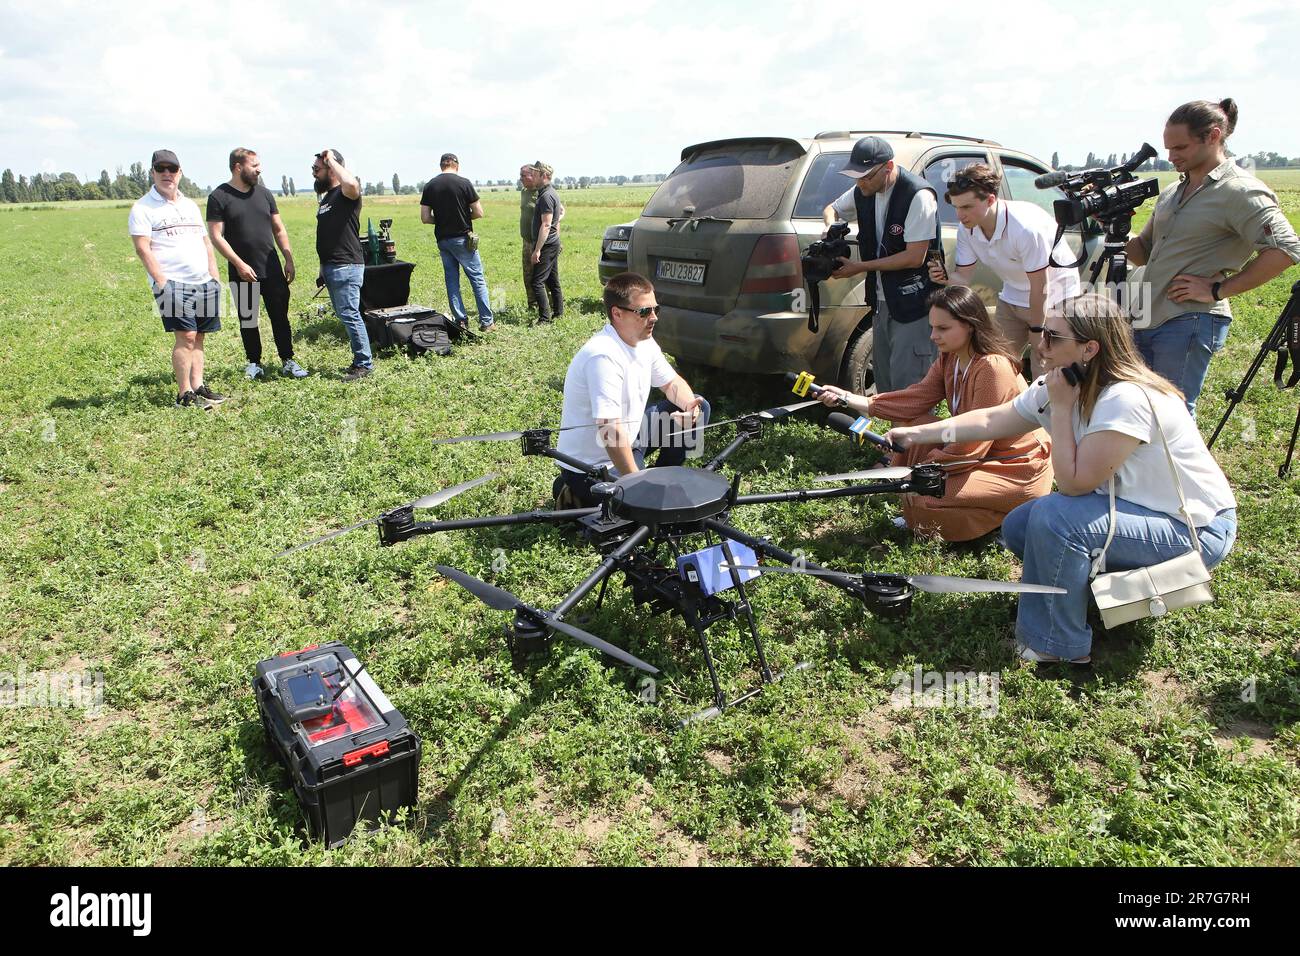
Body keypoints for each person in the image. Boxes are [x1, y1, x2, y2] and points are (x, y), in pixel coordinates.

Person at [885, 294, 1237, 664]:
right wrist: (916, 435)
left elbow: (1072, 484)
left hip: (1196, 529)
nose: (1040, 344)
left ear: (1089, 349)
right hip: (1136, 512)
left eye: (1053, 337)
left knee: (1055, 519)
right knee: (1022, 523)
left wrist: (1064, 408)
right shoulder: (1062, 383)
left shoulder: (1125, 399)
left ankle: (1056, 645)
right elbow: (991, 420)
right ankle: (1082, 601)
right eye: (1043, 332)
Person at [817, 286, 1053, 541]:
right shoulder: (950, 358)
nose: (933, 336)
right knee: (918, 425)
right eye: (932, 327)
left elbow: (974, 443)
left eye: (943, 328)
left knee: (925, 496)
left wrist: (922, 469)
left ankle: (1007, 517)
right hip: (980, 457)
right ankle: (955, 509)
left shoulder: (992, 367)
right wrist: (848, 398)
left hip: (1015, 468)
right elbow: (917, 398)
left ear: (970, 325)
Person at [1126, 98, 1300, 416]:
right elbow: (1144, 254)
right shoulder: (1174, 192)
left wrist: (1217, 290)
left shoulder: (1239, 191)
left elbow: (1286, 249)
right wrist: (1113, 224)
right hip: (1148, 314)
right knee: (1138, 410)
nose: (1171, 157)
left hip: (1189, 320)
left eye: (1180, 147)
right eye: (1168, 148)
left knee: (1172, 414)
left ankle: (1182, 468)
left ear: (1213, 136)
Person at [553, 272, 710, 507]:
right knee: (640, 514)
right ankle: (573, 489)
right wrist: (637, 485)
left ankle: (662, 478)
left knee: (699, 404)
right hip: (594, 465)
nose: (654, 317)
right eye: (645, 312)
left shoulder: (644, 341)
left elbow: (672, 383)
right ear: (617, 313)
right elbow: (609, 431)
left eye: (656, 309)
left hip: (630, 439)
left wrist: (689, 408)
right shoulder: (602, 356)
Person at [928, 163, 1080, 378]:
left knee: (1045, 370)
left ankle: (1052, 409)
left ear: (990, 200)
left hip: (1055, 296)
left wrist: (1037, 331)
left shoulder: (1024, 228)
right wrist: (945, 278)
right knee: (994, 363)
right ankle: (1005, 408)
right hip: (1013, 295)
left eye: (967, 207)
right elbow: (963, 277)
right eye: (956, 207)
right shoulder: (967, 228)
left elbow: (1041, 286)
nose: (960, 215)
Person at [822, 135, 941, 393]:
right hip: (880, 302)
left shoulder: (918, 196)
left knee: (910, 388)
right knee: (886, 386)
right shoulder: (864, 190)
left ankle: (915, 433)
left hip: (913, 304)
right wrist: (830, 226)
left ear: (888, 167)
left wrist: (860, 268)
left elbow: (914, 257)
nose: (860, 183)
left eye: (866, 176)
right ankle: (894, 434)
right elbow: (831, 208)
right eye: (856, 176)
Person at [128, 149, 227, 409]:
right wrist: (162, 282)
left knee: (201, 336)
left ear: (180, 173)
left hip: (203, 281)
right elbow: (142, 248)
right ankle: (184, 394)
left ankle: (198, 385)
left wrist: (214, 275)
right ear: (152, 173)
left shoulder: (189, 205)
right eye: (160, 169)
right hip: (172, 283)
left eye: (172, 169)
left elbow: (205, 241)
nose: (166, 174)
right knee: (187, 336)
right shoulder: (143, 208)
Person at [207, 147, 306, 381]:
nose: (259, 169)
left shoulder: (264, 194)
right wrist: (239, 264)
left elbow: (278, 228)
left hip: (271, 267)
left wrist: (288, 258)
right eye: (254, 165)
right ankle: (254, 363)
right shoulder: (219, 197)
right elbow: (216, 236)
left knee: (280, 316)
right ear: (238, 167)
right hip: (241, 271)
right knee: (248, 319)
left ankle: (288, 360)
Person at [312, 148, 372, 381]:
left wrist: (332, 161)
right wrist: (321, 267)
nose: (314, 173)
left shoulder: (346, 194)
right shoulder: (327, 197)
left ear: (332, 168)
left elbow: (353, 185)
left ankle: (364, 364)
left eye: (317, 168)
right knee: (345, 313)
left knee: (350, 314)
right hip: (331, 266)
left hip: (346, 265)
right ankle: (360, 359)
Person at [419, 153, 494, 331]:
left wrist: (443, 219)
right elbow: (479, 212)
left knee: (452, 280)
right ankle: (486, 322)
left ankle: (461, 321)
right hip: (463, 238)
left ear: (441, 166)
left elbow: (425, 218)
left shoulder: (430, 185)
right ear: (456, 166)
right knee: (477, 279)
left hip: (443, 240)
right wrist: (461, 217)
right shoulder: (464, 183)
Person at [519, 162, 564, 311]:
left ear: (536, 176)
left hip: (543, 241)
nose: (521, 179)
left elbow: (552, 219)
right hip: (529, 240)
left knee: (540, 279)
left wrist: (554, 237)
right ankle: (536, 305)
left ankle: (546, 313)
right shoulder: (525, 192)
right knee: (530, 274)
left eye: (524, 175)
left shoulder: (545, 194)